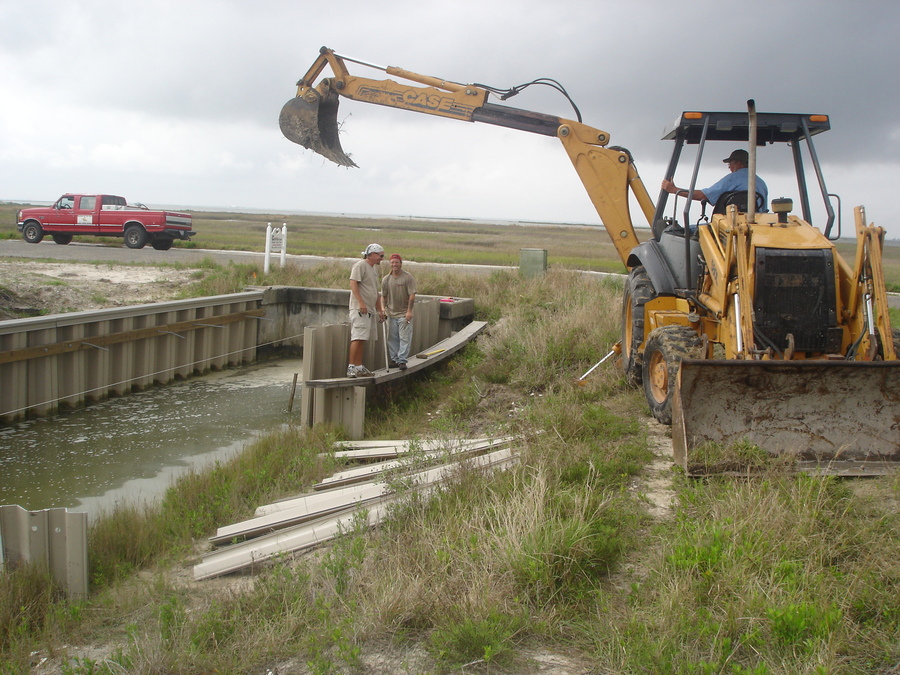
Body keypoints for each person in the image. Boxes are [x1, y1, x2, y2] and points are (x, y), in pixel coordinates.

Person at [661, 149, 768, 212]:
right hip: (756, 229)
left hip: (730, 228)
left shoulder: (733, 179)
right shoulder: (761, 183)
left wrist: (674, 190)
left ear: (738, 164)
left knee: (691, 231)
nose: (729, 168)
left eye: (730, 164)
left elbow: (703, 196)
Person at [347, 243, 385, 378]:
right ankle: (351, 367)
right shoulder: (360, 265)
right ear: (372, 254)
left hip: (369, 309)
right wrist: (361, 302)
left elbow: (375, 292)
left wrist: (380, 309)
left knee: (363, 338)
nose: (382, 258)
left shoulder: (374, 269)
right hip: (360, 309)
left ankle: (359, 366)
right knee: (357, 337)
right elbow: (353, 283)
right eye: (380, 256)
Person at [381, 253, 417, 370]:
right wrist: (383, 309)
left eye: (396, 262)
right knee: (391, 338)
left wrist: (409, 311)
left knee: (404, 338)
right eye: (392, 262)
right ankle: (395, 359)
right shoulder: (386, 279)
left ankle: (402, 360)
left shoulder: (408, 277)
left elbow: (412, 295)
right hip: (391, 313)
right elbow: (384, 296)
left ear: (400, 264)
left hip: (403, 314)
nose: (394, 264)